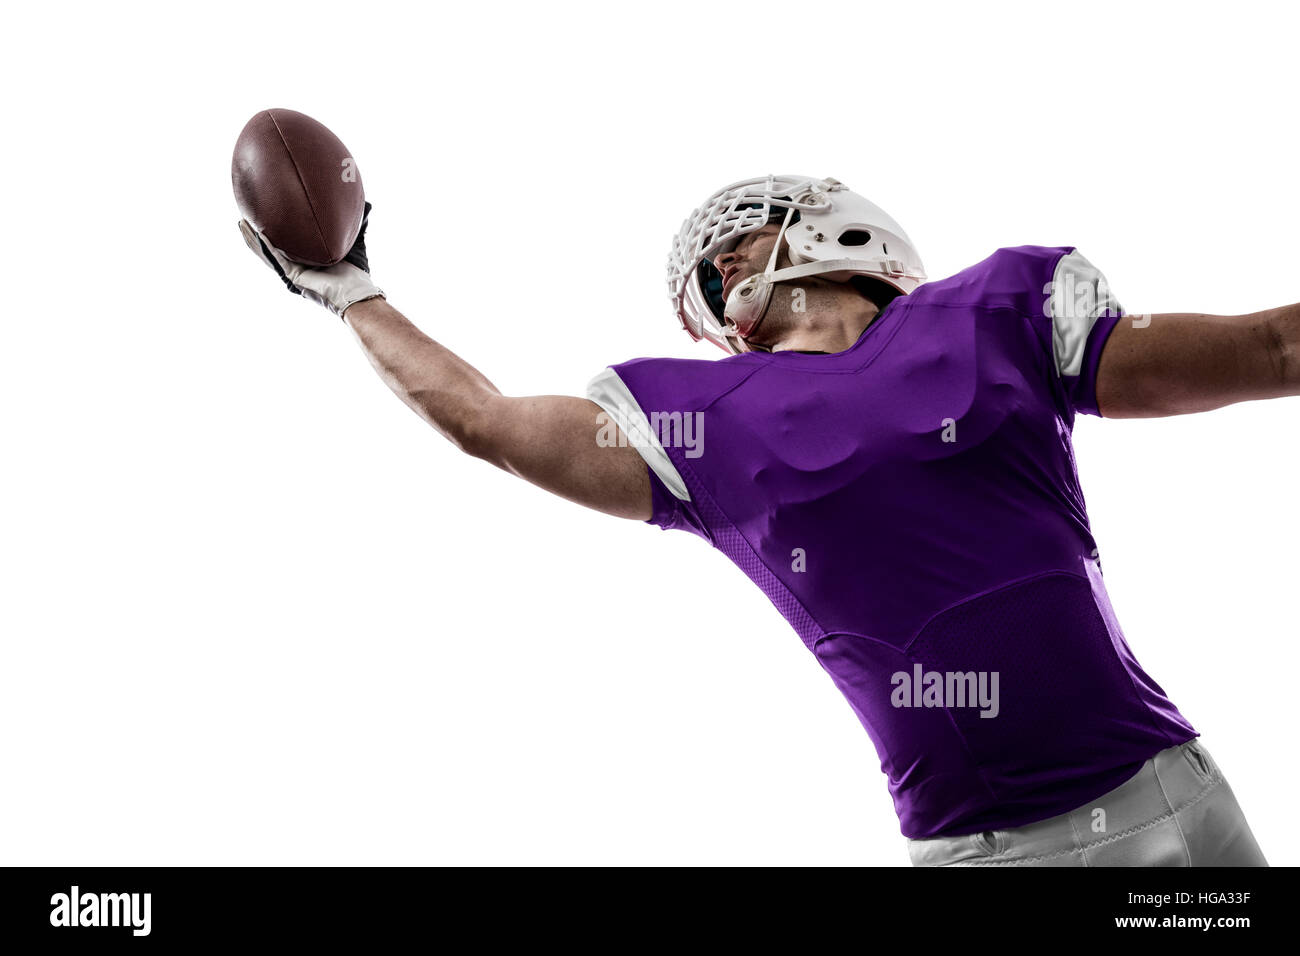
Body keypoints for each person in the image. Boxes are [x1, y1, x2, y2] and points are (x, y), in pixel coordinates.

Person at [239, 176, 1273, 866]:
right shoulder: (701, 422)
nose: (721, 263)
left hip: (1169, 785)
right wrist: (353, 293)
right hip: (988, 848)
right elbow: (486, 422)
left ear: (838, 226)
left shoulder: (994, 309)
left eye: (743, 234)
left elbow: (1266, 350)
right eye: (708, 265)